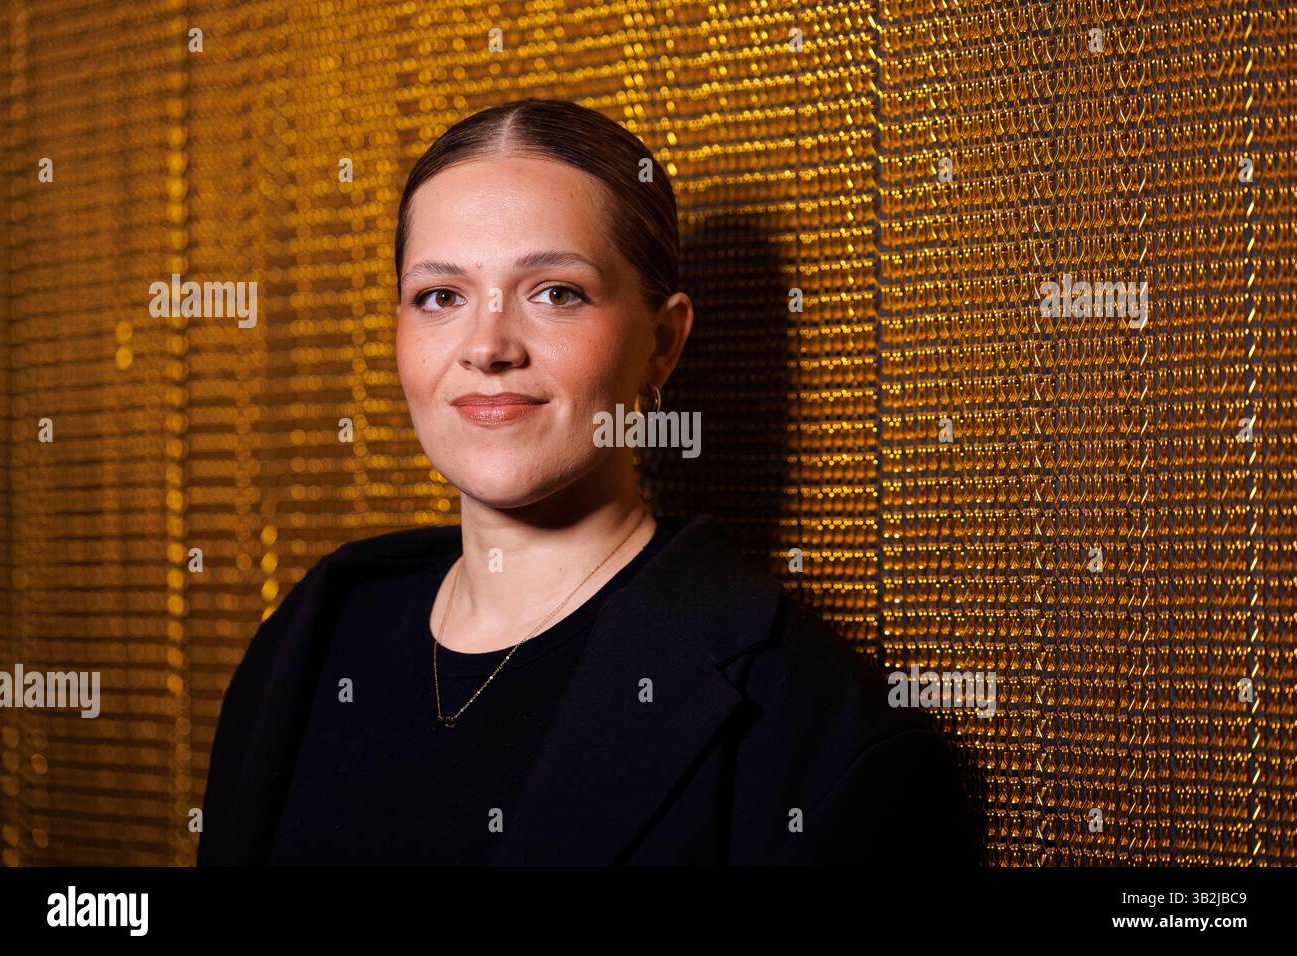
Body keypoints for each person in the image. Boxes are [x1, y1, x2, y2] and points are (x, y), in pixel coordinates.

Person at [197, 97, 976, 866]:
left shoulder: (816, 730)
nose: (488, 347)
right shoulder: (313, 637)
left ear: (662, 344)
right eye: (440, 296)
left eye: (555, 292)